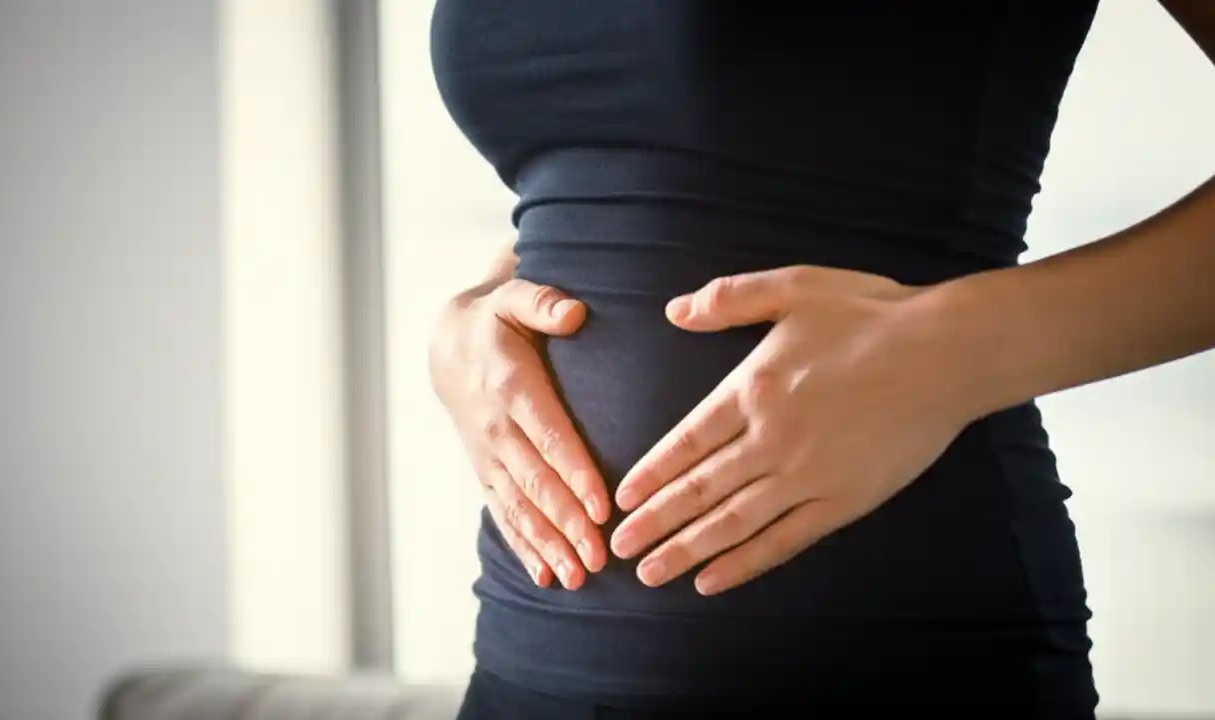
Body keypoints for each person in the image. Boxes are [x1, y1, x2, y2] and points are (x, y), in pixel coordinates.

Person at [425, 2, 1214, 717]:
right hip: (524, 667)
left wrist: (957, 347)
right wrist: (470, 317)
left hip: (893, 652)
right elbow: (627, 178)